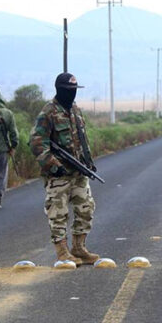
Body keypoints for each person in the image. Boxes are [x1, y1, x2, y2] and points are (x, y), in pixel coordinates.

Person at [29, 73, 99, 266]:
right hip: (59, 175)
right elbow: (36, 143)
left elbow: (82, 139)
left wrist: (88, 161)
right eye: (69, 91)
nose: (72, 94)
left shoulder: (75, 110)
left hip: (79, 172)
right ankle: (62, 253)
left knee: (86, 208)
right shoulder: (48, 113)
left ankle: (79, 248)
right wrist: (53, 165)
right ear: (59, 90)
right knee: (58, 213)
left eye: (75, 90)